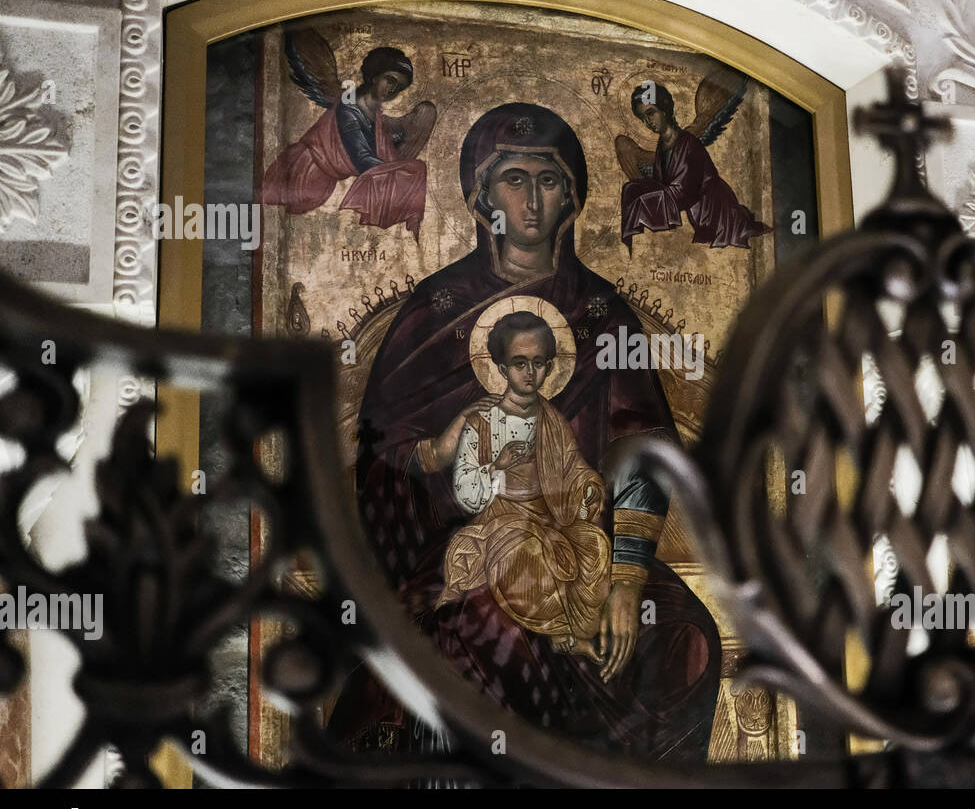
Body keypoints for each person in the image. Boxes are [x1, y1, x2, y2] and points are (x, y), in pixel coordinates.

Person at [328, 103, 721, 758]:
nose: (532, 201)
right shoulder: (436, 311)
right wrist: (444, 464)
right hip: (469, 544)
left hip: (581, 545)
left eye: (549, 180)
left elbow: (642, 447)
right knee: (491, 624)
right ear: (482, 195)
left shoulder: (602, 314)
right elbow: (385, 450)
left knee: (686, 637)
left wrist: (626, 580)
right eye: (514, 179)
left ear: (572, 195)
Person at [429, 310, 611, 663]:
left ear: (550, 366)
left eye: (538, 363)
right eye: (519, 363)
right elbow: (465, 491)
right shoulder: (481, 424)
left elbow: (573, 469)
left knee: (596, 547)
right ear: (502, 369)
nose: (530, 373)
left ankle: (575, 633)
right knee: (526, 552)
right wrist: (498, 467)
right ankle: (559, 634)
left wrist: (587, 486)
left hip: (551, 516)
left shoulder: (553, 422)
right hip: (500, 520)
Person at [262, 46, 436, 239]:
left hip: (322, 183)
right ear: (374, 76)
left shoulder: (377, 119)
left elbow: (384, 152)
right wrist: (404, 171)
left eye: (399, 87)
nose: (392, 90)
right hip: (302, 176)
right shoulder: (349, 108)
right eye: (390, 80)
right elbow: (362, 158)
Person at [620, 81, 769, 252]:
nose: (648, 122)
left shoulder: (688, 143)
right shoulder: (662, 146)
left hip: (716, 213)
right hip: (697, 212)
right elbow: (661, 183)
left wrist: (643, 203)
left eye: (651, 113)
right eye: (643, 118)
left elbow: (684, 192)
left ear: (664, 109)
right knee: (630, 189)